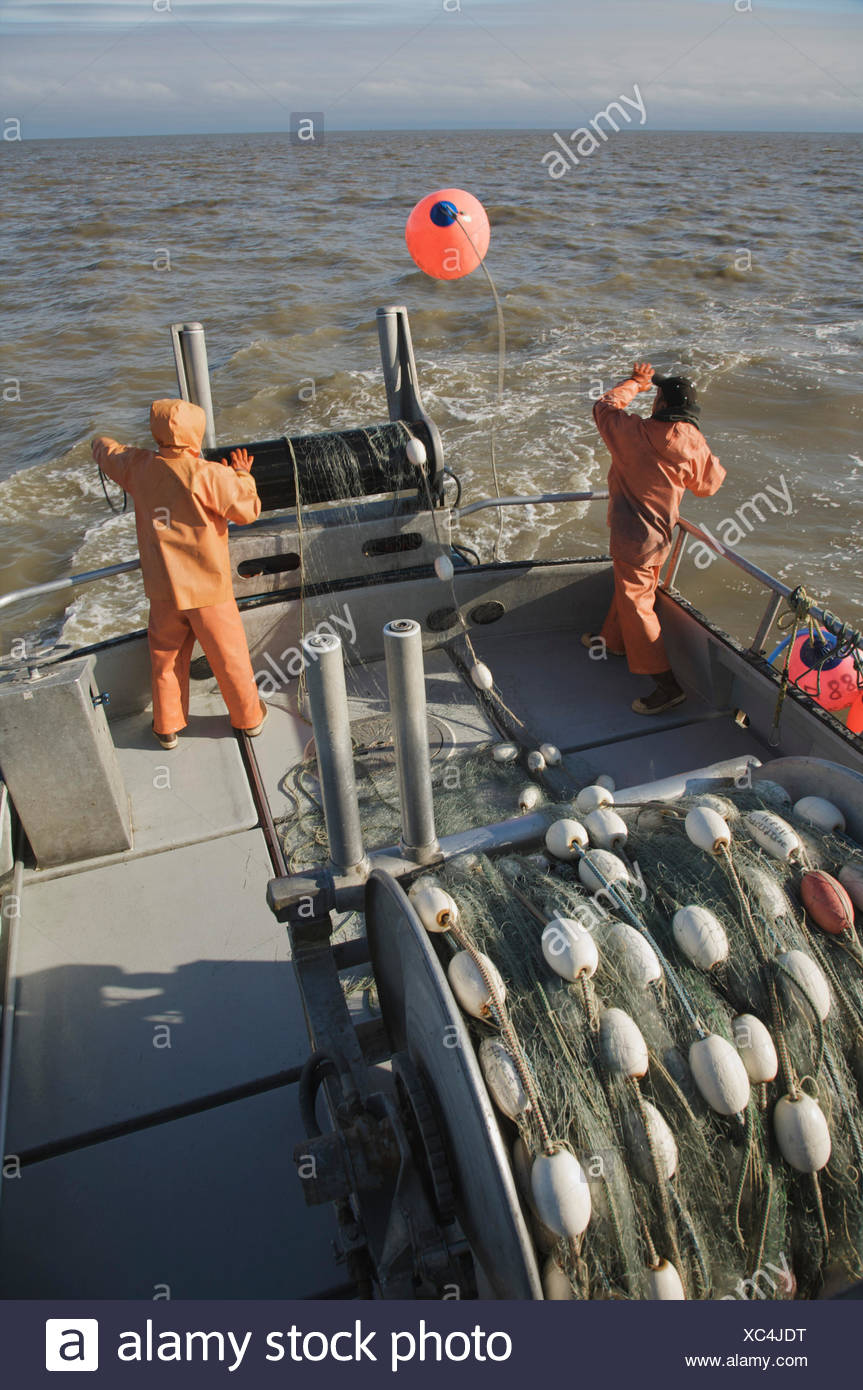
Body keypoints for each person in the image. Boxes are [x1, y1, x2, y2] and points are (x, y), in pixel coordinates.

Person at [91, 399, 266, 749]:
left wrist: (98, 443)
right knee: (229, 656)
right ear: (195, 434)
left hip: (163, 590)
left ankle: (168, 728)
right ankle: (248, 720)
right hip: (207, 590)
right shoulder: (208, 474)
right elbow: (248, 511)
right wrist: (243, 474)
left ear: (157, 432)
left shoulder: (138, 466)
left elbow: (110, 452)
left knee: (166, 659)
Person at [586, 363, 726, 714]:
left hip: (633, 537)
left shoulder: (633, 432)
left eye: (658, 395)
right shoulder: (693, 443)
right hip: (661, 536)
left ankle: (667, 685)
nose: (654, 400)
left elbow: (603, 406)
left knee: (637, 603)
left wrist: (636, 383)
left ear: (661, 404)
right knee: (634, 590)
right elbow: (709, 485)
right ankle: (611, 643)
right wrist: (693, 438)